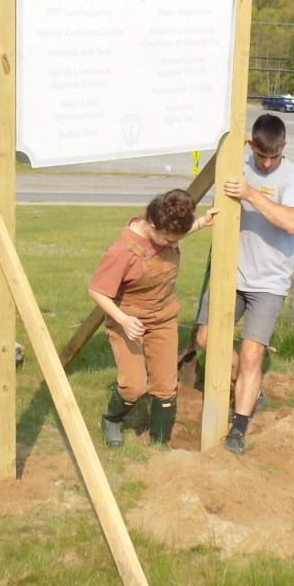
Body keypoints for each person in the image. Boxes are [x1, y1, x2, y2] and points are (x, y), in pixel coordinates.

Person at [195, 112, 294, 456]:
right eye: (261, 156)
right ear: (252, 145)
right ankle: (249, 387)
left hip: (268, 283)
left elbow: (291, 222)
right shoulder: (238, 164)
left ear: (283, 147)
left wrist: (250, 193)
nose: (267, 162)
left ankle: (238, 431)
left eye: (273, 156)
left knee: (251, 353)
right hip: (230, 273)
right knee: (204, 338)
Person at [89, 189, 217, 449]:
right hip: (128, 322)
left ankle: (159, 445)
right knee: (134, 386)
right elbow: (97, 290)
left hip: (163, 318)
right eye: (169, 241)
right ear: (153, 225)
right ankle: (112, 419)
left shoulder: (164, 229)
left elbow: (173, 233)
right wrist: (123, 320)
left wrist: (201, 222)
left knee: (165, 386)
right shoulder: (122, 251)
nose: (172, 246)